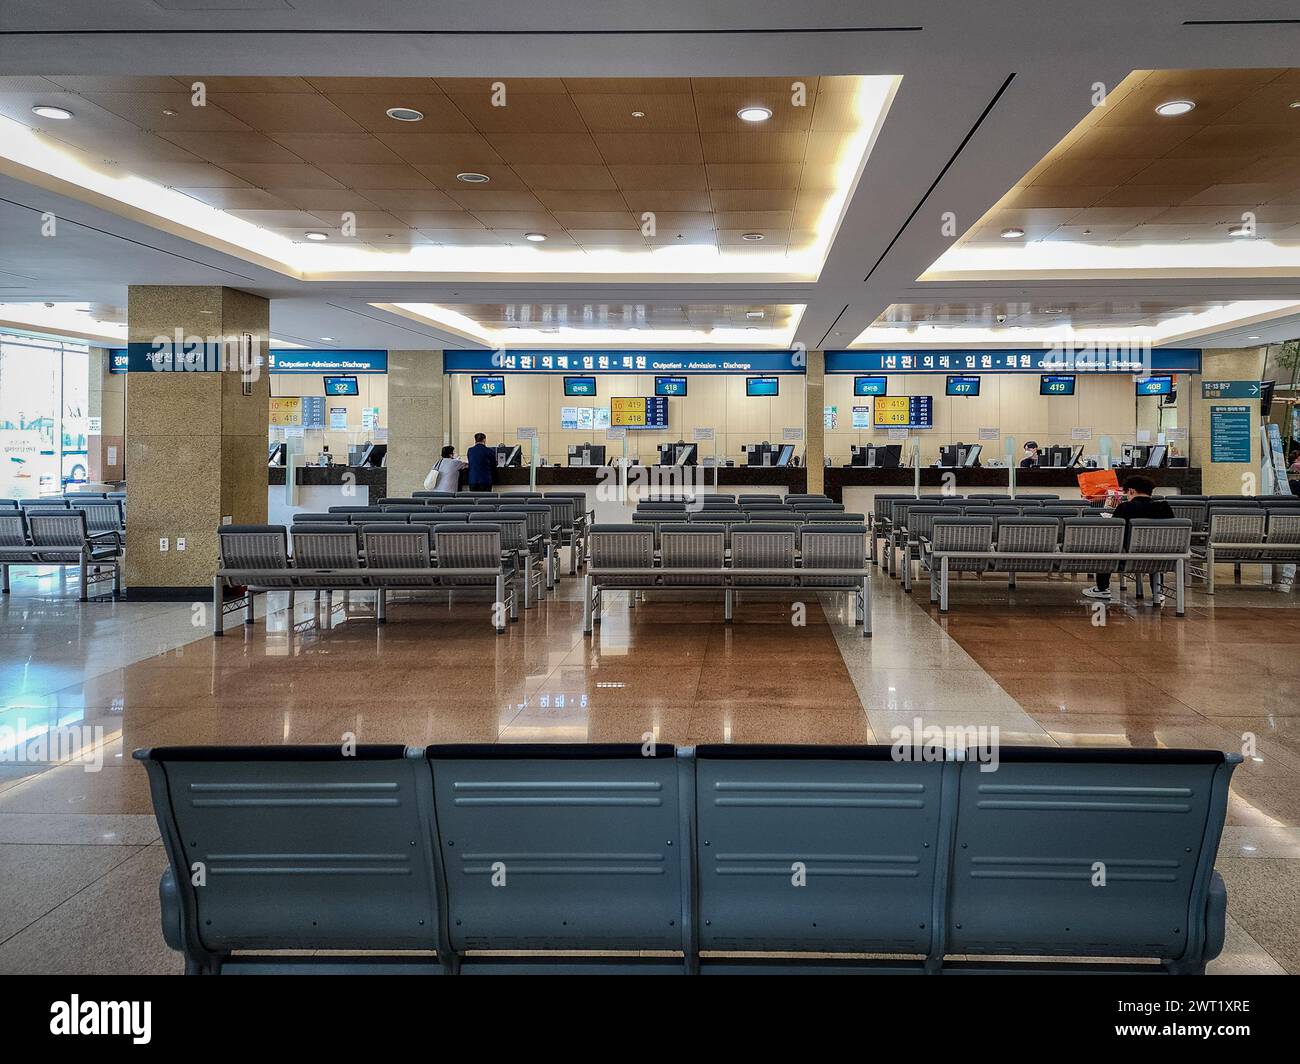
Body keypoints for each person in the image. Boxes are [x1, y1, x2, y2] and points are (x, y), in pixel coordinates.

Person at [1082, 474, 1174, 600]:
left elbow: (1114, 533)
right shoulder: (1164, 507)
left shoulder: (1125, 507)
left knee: (1108, 547)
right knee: (1154, 547)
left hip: (1126, 559)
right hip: (1160, 558)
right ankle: (1157, 591)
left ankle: (1102, 588)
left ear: (1131, 491)